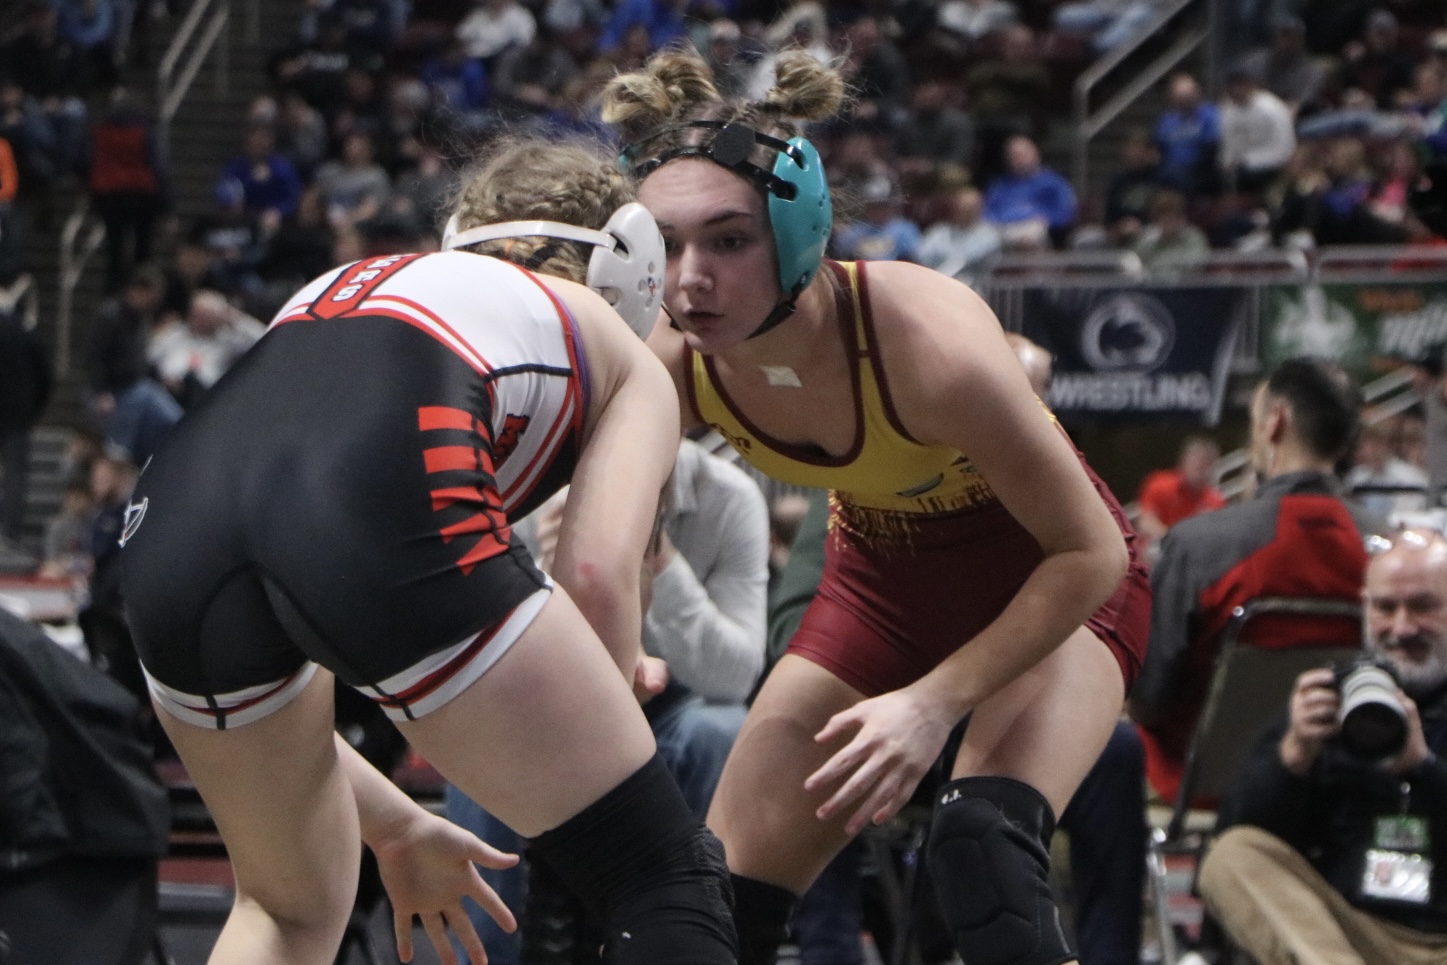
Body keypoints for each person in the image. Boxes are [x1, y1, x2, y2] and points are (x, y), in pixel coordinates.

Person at [117, 138, 738, 965]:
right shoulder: (610, 339)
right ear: (632, 265)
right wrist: (603, 723)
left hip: (168, 526)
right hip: (379, 495)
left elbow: (297, 601)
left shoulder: (338, 290)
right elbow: (594, 570)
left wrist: (397, 822)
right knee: (658, 869)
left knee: (286, 906)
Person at [601, 48, 1152, 965]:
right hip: (881, 584)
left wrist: (933, 702)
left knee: (982, 852)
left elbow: (1089, 554)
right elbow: (615, 540)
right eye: (666, 244)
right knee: (707, 912)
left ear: (799, 231)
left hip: (1052, 583)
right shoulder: (670, 359)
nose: (689, 278)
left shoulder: (926, 344)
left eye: (727, 240)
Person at [1133, 358, 1383, 805]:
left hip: (1202, 792)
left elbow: (1150, 699)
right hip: (1346, 789)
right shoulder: (1392, 556)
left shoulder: (1197, 546)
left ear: (1275, 422)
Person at [1198, 527, 1447, 964]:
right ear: (1365, 610)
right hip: (1347, 937)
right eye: (1386, 608)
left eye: (1423, 607)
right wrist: (1292, 757)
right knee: (1233, 854)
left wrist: (1423, 770)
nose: (1402, 627)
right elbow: (1236, 828)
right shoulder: (1336, 697)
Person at [1134, 434, 1225, 549]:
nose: (1200, 468)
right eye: (1196, 461)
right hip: (1158, 551)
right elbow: (1145, 522)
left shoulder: (1215, 501)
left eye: (1206, 464)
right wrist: (1173, 540)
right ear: (1184, 461)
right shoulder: (1160, 483)